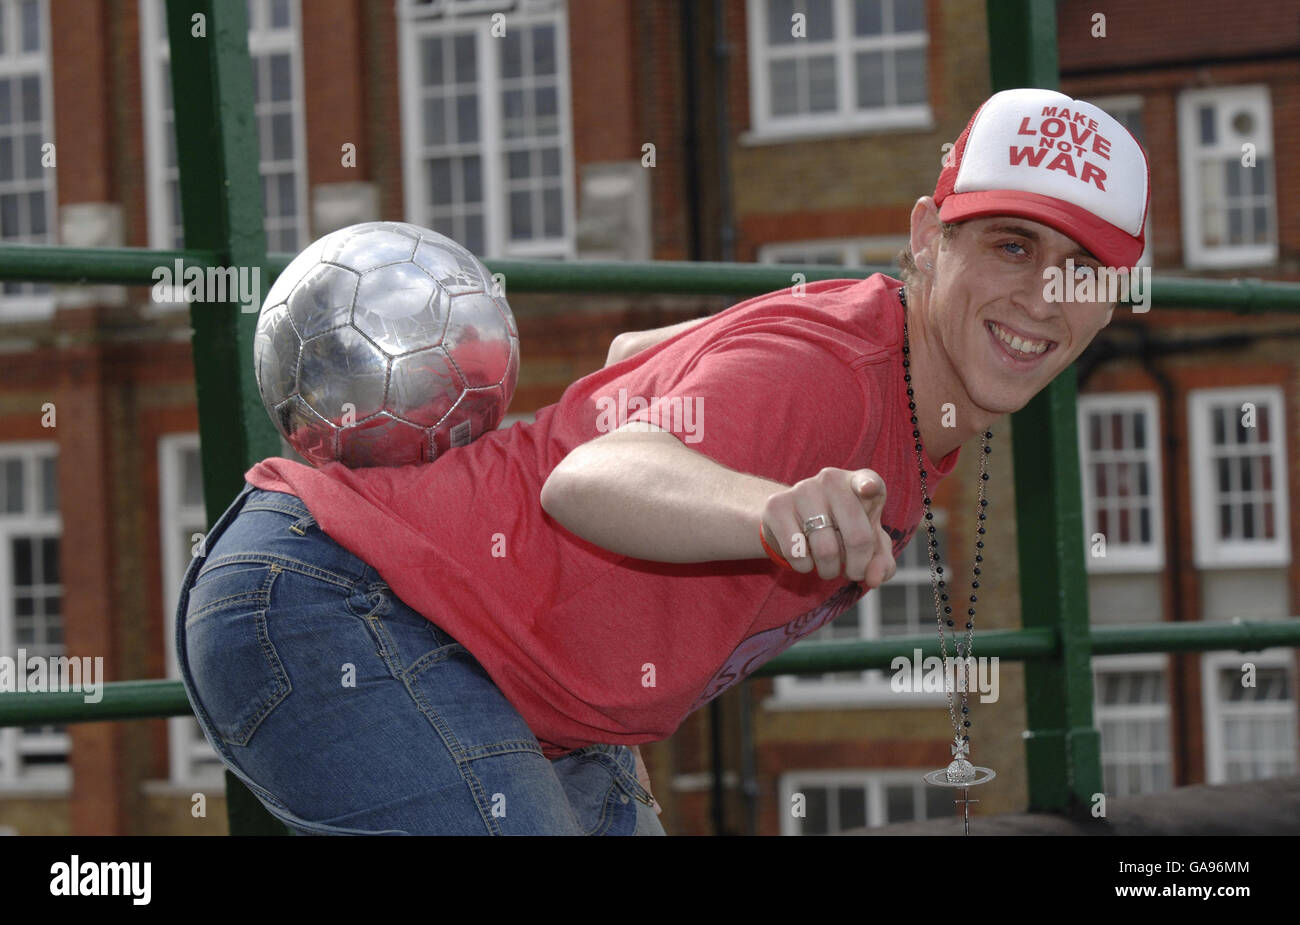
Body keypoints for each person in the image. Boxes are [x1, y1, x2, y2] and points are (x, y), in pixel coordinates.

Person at [174, 87, 1149, 835]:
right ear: (927, 238)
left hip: (494, 669)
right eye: (1011, 247)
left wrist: (602, 703)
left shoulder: (873, 346)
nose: (1042, 298)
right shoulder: (834, 376)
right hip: (339, 599)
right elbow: (591, 476)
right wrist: (765, 504)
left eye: (1082, 269)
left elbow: (627, 362)